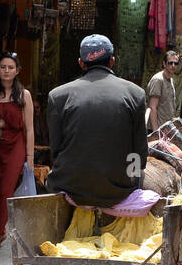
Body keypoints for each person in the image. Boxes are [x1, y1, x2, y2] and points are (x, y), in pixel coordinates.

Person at [46, 35, 148, 210]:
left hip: (70, 186)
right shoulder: (136, 94)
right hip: (119, 190)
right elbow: (140, 156)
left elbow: (55, 150)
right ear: (112, 61)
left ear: (81, 63)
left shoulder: (57, 96)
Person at [0, 53, 35, 258]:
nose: (6, 70)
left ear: (17, 70)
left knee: (5, 191)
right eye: (3, 67)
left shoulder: (23, 95)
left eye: (11, 67)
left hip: (15, 147)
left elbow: (29, 128)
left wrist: (30, 157)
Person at [147, 50, 180, 132]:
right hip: (156, 129)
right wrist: (156, 132)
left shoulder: (171, 80)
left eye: (176, 63)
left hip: (166, 129)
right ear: (164, 64)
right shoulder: (158, 79)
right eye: (170, 63)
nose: (173, 66)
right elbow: (152, 107)